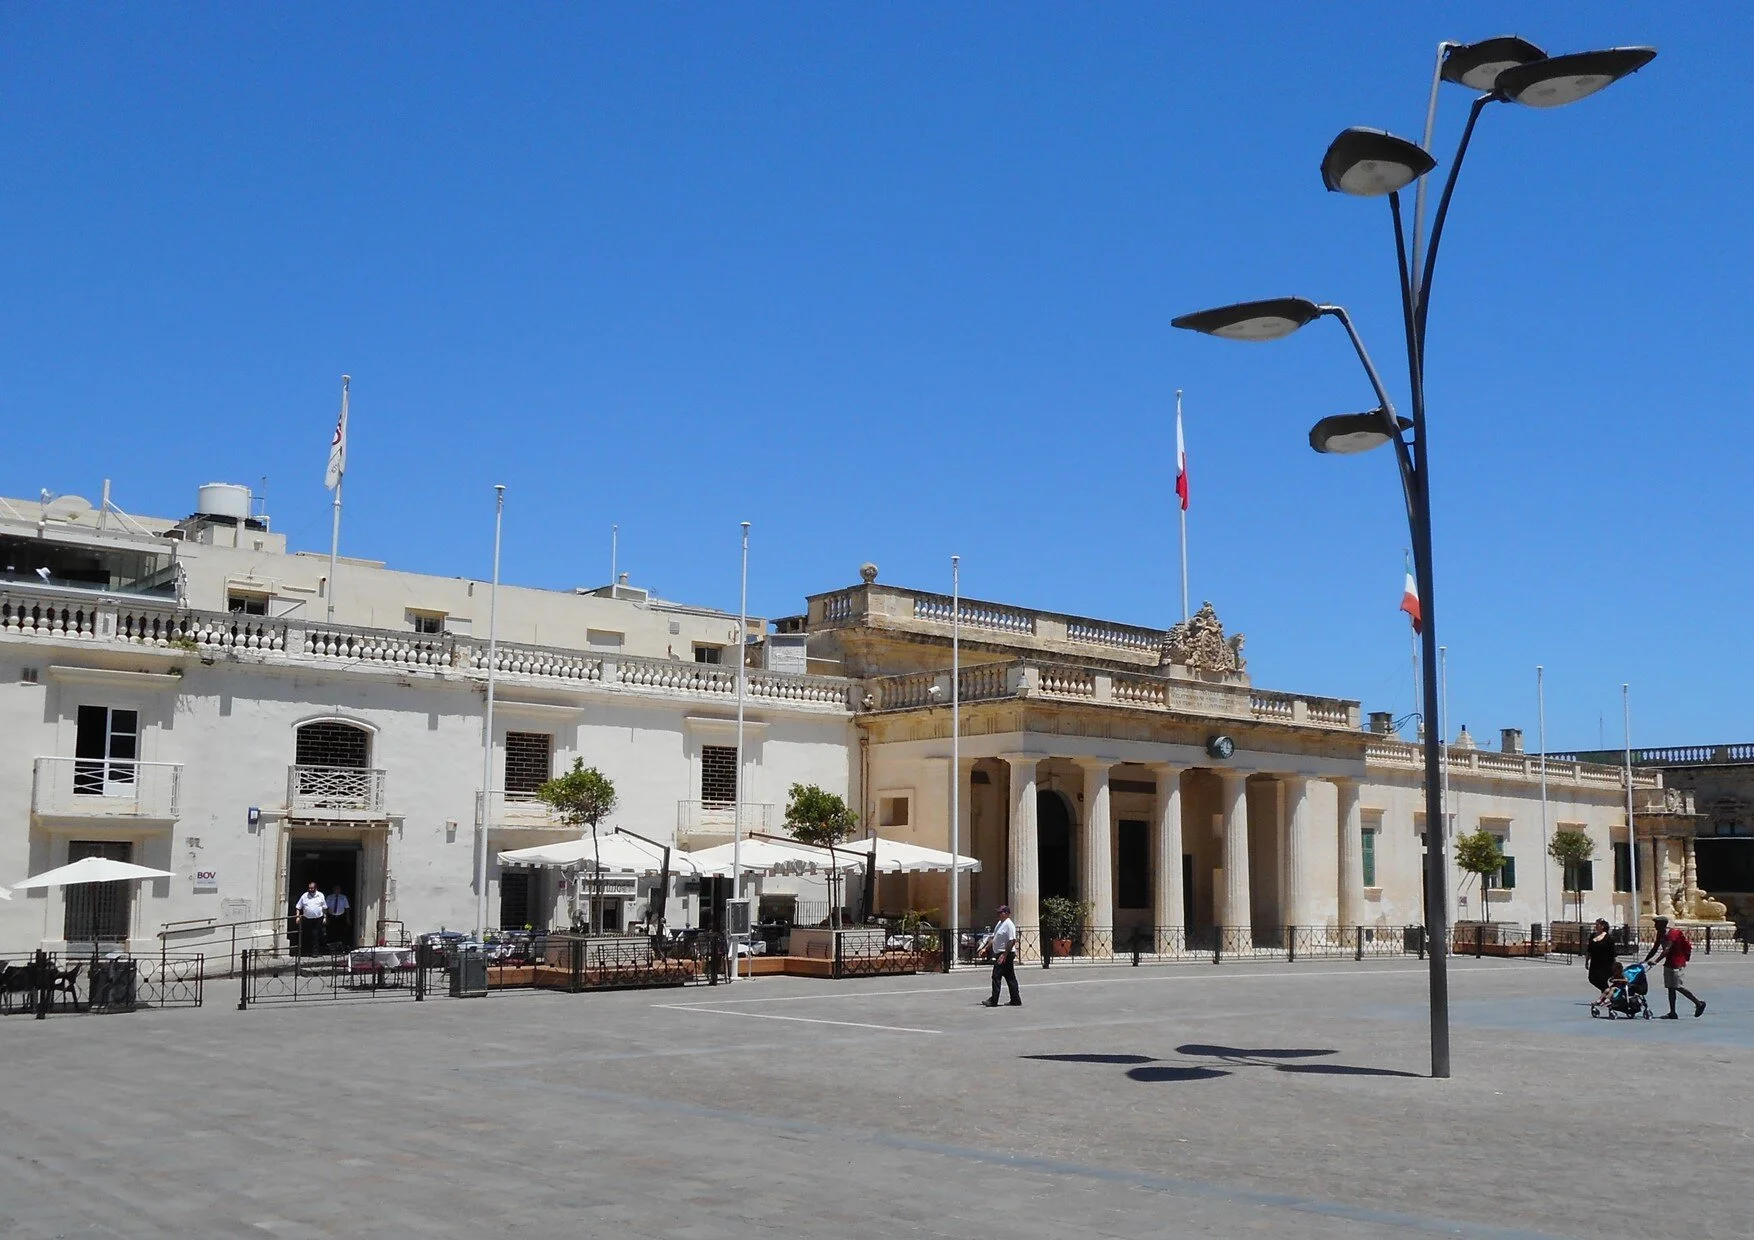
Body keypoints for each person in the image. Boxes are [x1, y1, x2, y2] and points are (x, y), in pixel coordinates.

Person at [1642, 915, 1706, 1019]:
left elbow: (1667, 949)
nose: (1655, 926)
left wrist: (1656, 961)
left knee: (1677, 986)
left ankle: (1698, 1003)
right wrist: (1645, 960)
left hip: (1677, 962)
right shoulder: (1660, 933)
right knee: (1670, 988)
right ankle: (1672, 1012)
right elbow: (1655, 948)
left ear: (1663, 924)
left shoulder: (1672, 934)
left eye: (1657, 924)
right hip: (1669, 962)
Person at [981, 903, 1021, 1008]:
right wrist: (985, 948)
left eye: (1000, 912)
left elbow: (1012, 940)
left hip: (1005, 954)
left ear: (1006, 913)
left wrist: (1004, 955)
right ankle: (1016, 1000)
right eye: (998, 912)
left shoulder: (1009, 924)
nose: (998, 914)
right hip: (1001, 953)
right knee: (1010, 977)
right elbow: (994, 938)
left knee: (996, 976)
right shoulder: (1000, 923)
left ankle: (993, 1001)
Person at [1584, 918, 1620, 1004]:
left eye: (1597, 925)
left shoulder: (1608, 938)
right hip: (1594, 961)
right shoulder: (1593, 936)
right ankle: (1606, 991)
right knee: (1592, 978)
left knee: (1602, 979)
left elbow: (1612, 952)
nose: (1596, 926)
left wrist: (1615, 964)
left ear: (1602, 926)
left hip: (1606, 962)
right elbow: (1589, 949)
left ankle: (1604, 996)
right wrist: (1587, 960)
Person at [294, 881, 327, 956]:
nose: (310, 889)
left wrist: (325, 917)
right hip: (307, 919)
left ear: (315, 888)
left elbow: (324, 907)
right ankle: (306, 951)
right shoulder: (304, 895)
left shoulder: (320, 895)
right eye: (309, 888)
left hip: (318, 919)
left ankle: (315, 952)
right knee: (307, 935)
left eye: (312, 888)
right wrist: (297, 917)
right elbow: (298, 907)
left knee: (316, 935)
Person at [325, 886, 352, 951]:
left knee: (341, 932)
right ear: (333, 890)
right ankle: (332, 948)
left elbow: (347, 908)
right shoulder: (329, 897)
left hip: (341, 917)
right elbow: (326, 908)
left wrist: (348, 918)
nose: (337, 890)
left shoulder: (343, 897)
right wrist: (325, 917)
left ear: (340, 890)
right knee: (331, 932)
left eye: (338, 889)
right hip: (331, 917)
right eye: (335, 889)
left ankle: (341, 948)